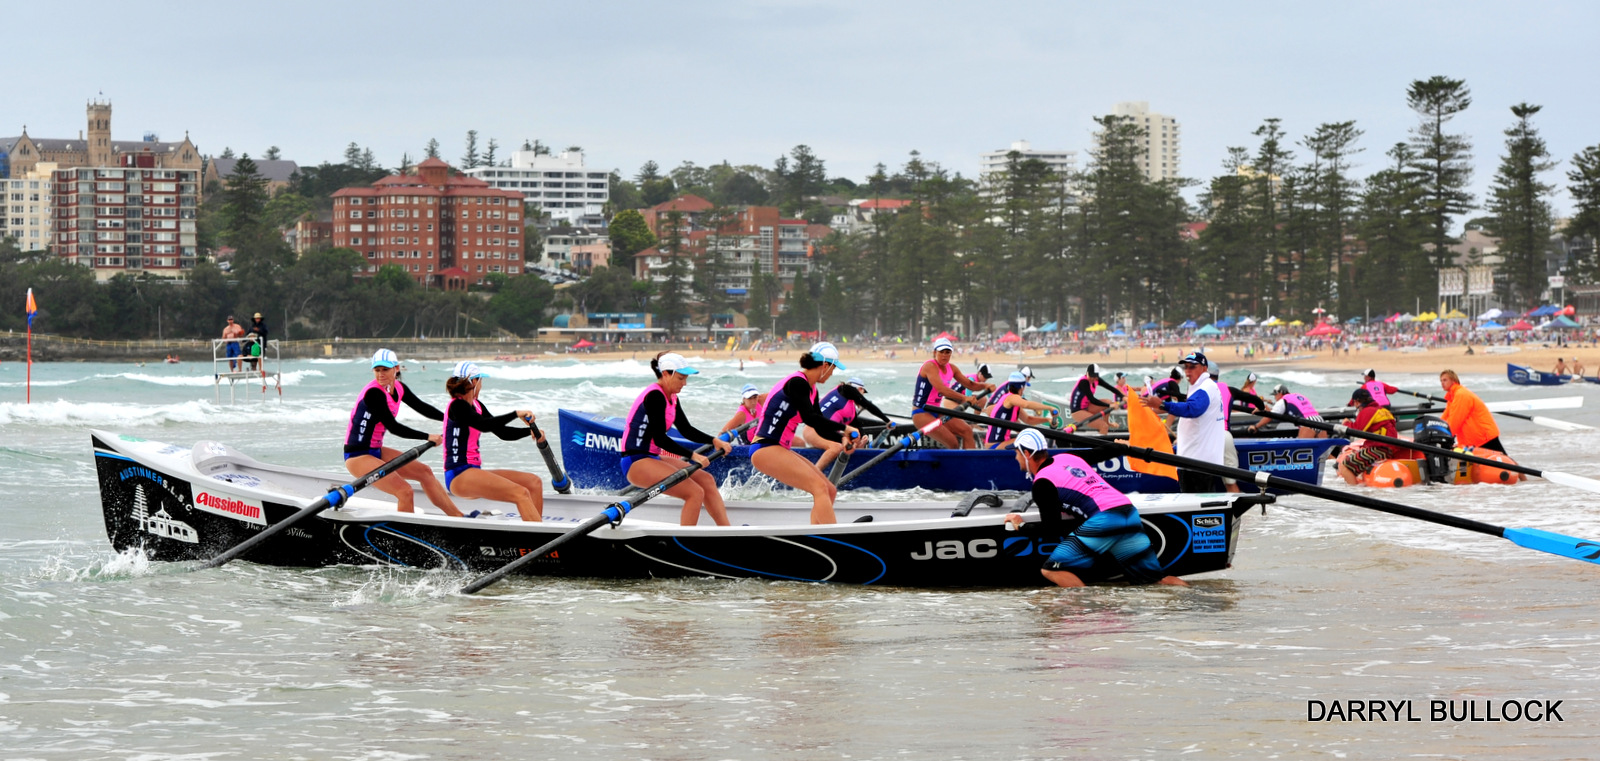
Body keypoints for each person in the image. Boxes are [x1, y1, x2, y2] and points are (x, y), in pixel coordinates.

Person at [1002, 429, 1186, 588]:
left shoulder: (1042, 483)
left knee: (1052, 570)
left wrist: (1021, 525)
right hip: (1128, 511)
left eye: (1017, 453)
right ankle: (1192, 596)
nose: (1016, 458)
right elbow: (1103, 452)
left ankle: (1090, 609)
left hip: (1105, 518)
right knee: (1156, 580)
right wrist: (1122, 447)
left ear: (1027, 453)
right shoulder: (1068, 457)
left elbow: (1051, 530)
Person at [344, 349, 463, 517]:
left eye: (385, 369)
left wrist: (449, 420)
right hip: (357, 456)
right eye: (377, 370)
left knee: (425, 472)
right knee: (404, 491)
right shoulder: (374, 393)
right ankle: (406, 532)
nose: (381, 374)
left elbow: (423, 408)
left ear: (396, 368)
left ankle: (457, 517)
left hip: (376, 451)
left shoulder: (399, 388)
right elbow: (394, 428)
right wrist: (427, 436)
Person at [750, 342, 858, 524]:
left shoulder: (812, 389)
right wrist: (846, 428)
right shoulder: (798, 383)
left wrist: (843, 439)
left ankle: (817, 532)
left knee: (829, 490)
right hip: (765, 447)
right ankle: (832, 535)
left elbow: (820, 426)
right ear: (825, 366)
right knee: (819, 487)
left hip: (777, 449)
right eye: (833, 369)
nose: (832, 374)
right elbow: (810, 418)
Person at [621, 352, 733, 526]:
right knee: (694, 493)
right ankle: (685, 538)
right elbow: (660, 439)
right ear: (666, 374)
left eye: (686, 379)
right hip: (635, 461)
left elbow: (686, 429)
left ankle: (726, 530)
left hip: (652, 457)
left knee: (706, 480)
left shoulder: (672, 397)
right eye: (681, 378)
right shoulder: (655, 396)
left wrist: (714, 440)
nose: (684, 383)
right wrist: (693, 455)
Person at [441, 361, 544, 522]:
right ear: (474, 381)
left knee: (533, 483)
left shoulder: (477, 406)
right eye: (481, 381)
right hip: (458, 476)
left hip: (473, 472)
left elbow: (502, 432)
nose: (481, 386)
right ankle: (538, 536)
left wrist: (530, 432)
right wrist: (515, 414)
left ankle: (538, 528)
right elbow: (484, 425)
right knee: (521, 493)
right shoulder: (458, 406)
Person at [1140, 351, 1225, 493]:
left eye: (1192, 367)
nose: (1188, 371)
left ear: (1204, 368)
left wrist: (1162, 404)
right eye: (1186, 367)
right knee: (1198, 502)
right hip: (1195, 459)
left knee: (1197, 503)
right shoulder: (1201, 386)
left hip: (1198, 461)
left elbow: (1192, 409)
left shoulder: (1205, 388)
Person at [909, 336, 993, 449]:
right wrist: (964, 398)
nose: (944, 355)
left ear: (951, 354)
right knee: (953, 443)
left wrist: (985, 385)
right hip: (921, 412)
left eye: (947, 352)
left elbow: (970, 384)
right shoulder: (930, 366)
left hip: (936, 411)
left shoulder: (952, 368)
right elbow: (942, 389)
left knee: (967, 431)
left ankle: (970, 460)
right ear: (935, 352)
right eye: (941, 352)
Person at [1336, 388, 1410, 485]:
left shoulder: (1368, 411)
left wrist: (1346, 423)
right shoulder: (1384, 410)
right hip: (1389, 449)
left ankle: (1353, 492)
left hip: (1379, 449)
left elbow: (1356, 430)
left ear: (1357, 402)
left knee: (1345, 466)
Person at [984, 371, 1059, 448]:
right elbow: (1026, 404)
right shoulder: (1011, 398)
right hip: (994, 445)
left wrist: (1047, 419)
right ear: (1022, 387)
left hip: (1002, 443)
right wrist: (1049, 408)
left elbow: (1028, 419)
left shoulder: (1012, 403)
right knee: (1028, 441)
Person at [1439, 369, 1507, 454]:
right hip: (1474, 441)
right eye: (1441, 381)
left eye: (1445, 380)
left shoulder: (1461, 395)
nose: (1442, 383)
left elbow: (1455, 421)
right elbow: (1444, 419)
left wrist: (1442, 436)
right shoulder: (1452, 398)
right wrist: (1435, 430)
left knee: (1503, 461)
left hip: (1484, 438)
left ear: (1453, 381)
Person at [1247, 384, 1328, 439]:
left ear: (1280, 393)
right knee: (1325, 453)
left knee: (1303, 451)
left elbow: (1270, 416)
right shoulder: (1297, 395)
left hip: (1307, 422)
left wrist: (1256, 426)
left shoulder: (1283, 400)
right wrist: (1266, 408)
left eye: (1275, 395)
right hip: (1319, 420)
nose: (1274, 397)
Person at [1069, 363, 1125, 435]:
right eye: (1091, 376)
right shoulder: (1084, 382)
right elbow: (1092, 400)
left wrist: (1123, 396)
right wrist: (1109, 406)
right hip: (1077, 411)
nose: (1092, 378)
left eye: (1094, 377)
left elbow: (1110, 388)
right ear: (1087, 373)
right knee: (1103, 426)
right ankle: (1103, 431)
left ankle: (1107, 423)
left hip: (1087, 407)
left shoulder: (1096, 379)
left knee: (1109, 402)